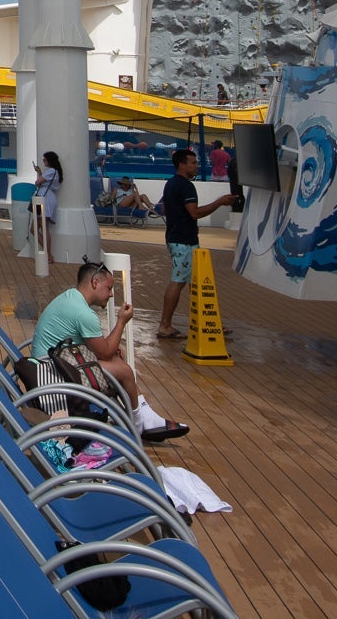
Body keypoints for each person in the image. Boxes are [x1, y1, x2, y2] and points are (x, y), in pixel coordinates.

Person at [29, 261, 189, 442]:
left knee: (116, 360)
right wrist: (122, 321)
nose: (111, 294)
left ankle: (141, 415)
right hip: (51, 374)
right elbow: (104, 352)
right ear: (95, 283)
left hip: (48, 364)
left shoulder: (70, 297)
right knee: (124, 371)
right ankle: (139, 422)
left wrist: (110, 349)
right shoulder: (83, 313)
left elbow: (98, 347)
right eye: (109, 288)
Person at [157, 147, 235, 338]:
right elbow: (195, 213)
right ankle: (165, 325)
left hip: (177, 237)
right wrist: (219, 202)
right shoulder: (186, 186)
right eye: (193, 163)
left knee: (195, 282)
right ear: (182, 165)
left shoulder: (171, 184)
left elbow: (166, 209)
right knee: (179, 280)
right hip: (184, 240)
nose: (197, 166)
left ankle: (207, 321)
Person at [37, 150, 62, 259]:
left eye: (44, 160)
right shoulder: (55, 172)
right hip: (46, 197)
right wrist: (40, 173)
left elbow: (38, 182)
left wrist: (40, 174)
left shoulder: (51, 171)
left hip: (44, 198)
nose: (43, 161)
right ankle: (48, 253)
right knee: (42, 227)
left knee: (41, 228)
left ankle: (48, 254)